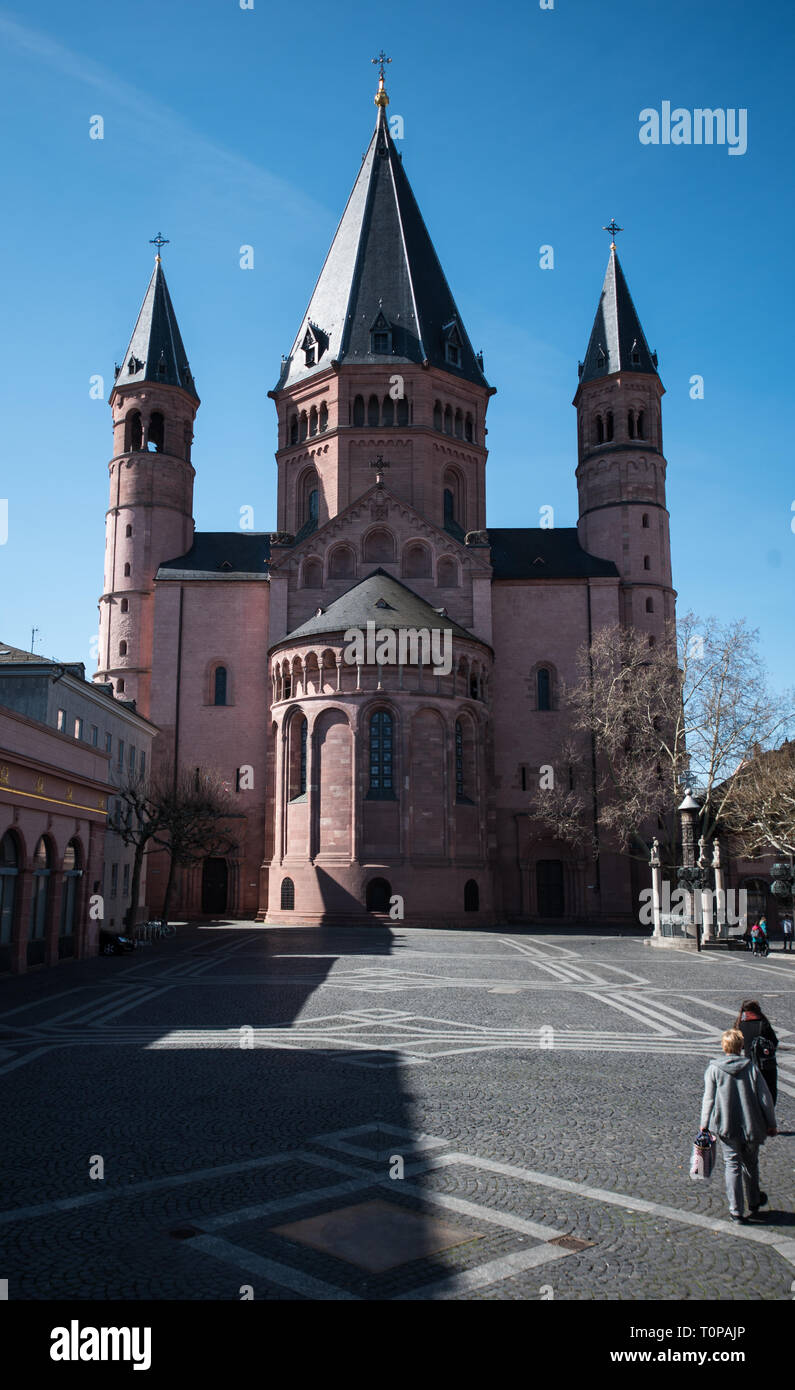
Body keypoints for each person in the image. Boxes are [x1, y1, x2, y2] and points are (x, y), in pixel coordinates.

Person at [699, 1028, 777, 1222]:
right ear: (741, 1046)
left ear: (724, 1046)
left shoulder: (714, 1069)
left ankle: (736, 1210)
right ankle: (753, 1201)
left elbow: (708, 1099)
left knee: (732, 1164)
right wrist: (771, 1124)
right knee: (751, 1164)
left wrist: (704, 1124)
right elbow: (765, 1098)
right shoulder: (751, 1067)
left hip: (726, 1125)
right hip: (752, 1125)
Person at [734, 999, 779, 1104]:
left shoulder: (740, 1024)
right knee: (769, 1093)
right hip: (765, 1065)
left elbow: (738, 1044)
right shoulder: (763, 1023)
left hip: (748, 1064)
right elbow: (774, 1042)